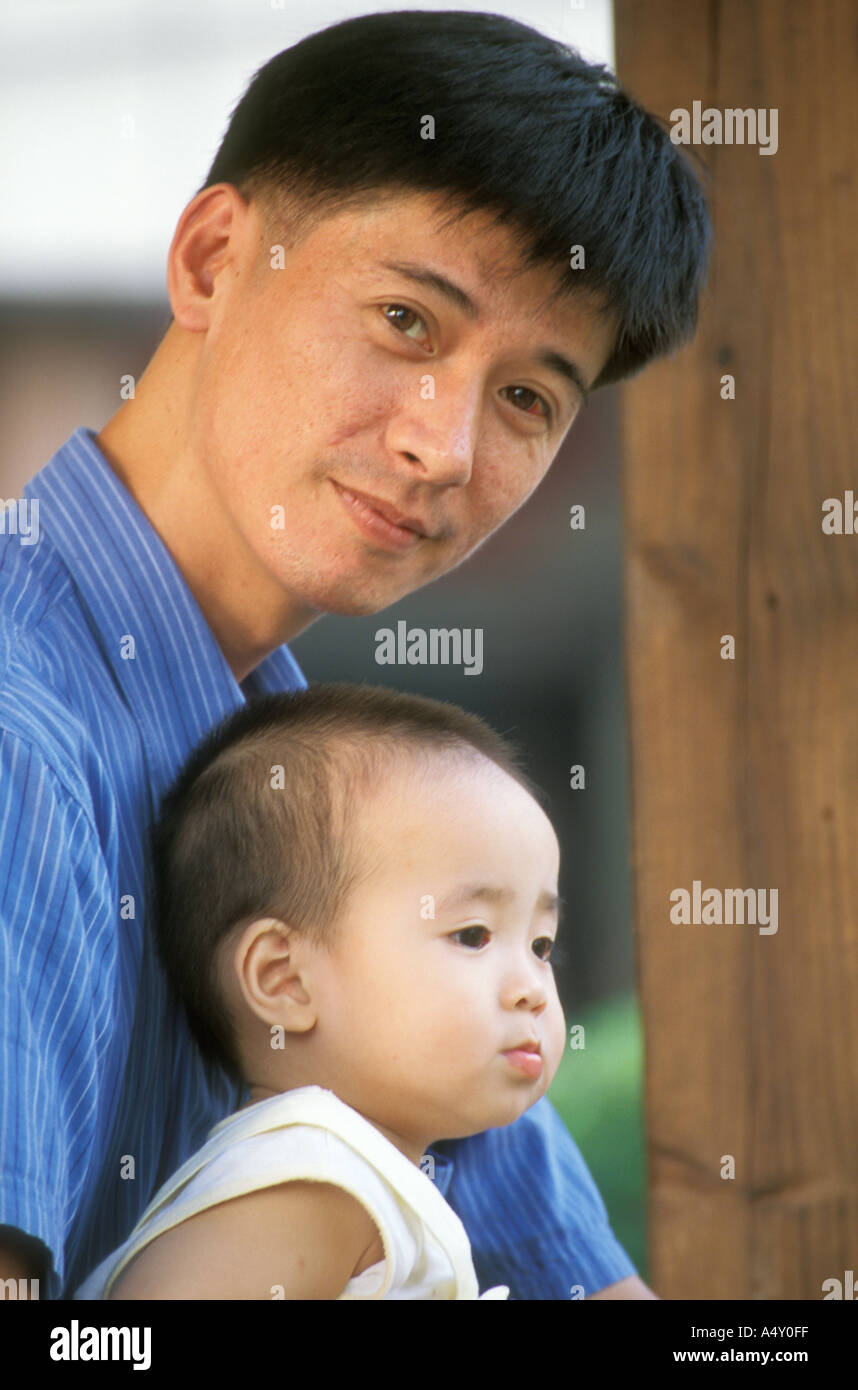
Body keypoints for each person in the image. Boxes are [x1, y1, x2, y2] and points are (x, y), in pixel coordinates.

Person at [0, 9, 710, 1299]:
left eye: (527, 398)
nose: (444, 446)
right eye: (404, 319)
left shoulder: (350, 796)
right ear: (215, 258)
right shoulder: (17, 731)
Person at [75, 682, 567, 1299]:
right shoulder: (316, 1178)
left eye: (541, 945)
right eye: (472, 935)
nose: (531, 989)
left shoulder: (357, 1178)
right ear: (284, 981)